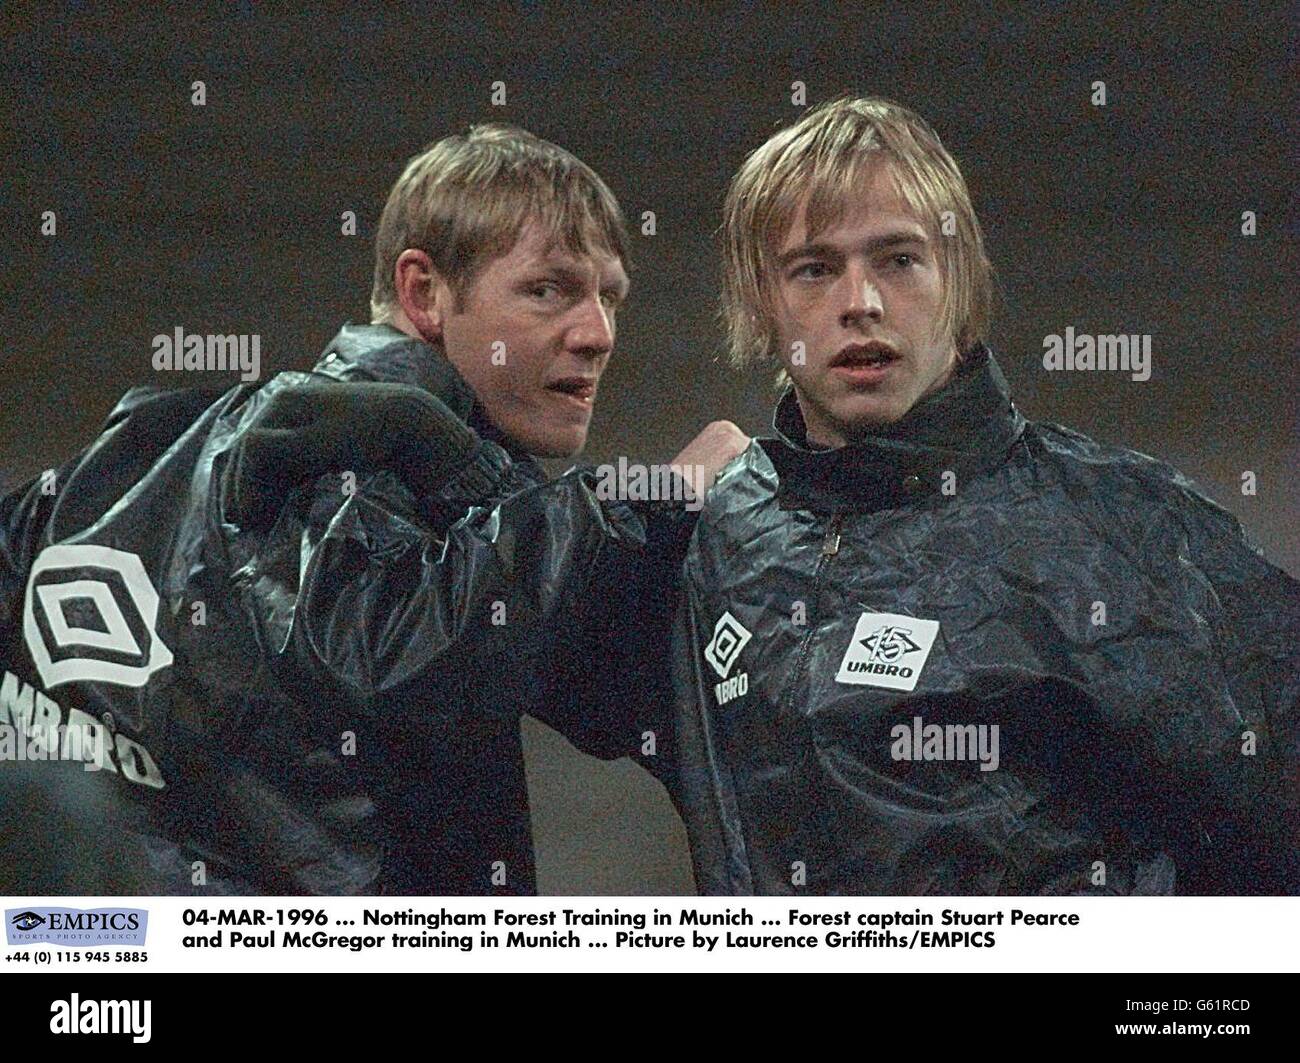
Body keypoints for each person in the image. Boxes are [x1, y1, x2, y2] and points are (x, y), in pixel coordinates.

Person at [0, 123, 746, 894]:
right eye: (548, 289)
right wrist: (648, 500)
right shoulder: (342, 472)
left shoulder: (144, 444)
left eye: (611, 297)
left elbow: (596, 689)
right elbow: (397, 656)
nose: (597, 334)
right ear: (424, 292)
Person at [668, 95, 1300, 894]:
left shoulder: (1128, 529)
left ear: (959, 286)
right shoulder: (717, 533)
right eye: (815, 268)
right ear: (763, 302)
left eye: (898, 260)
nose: (859, 301)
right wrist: (642, 507)